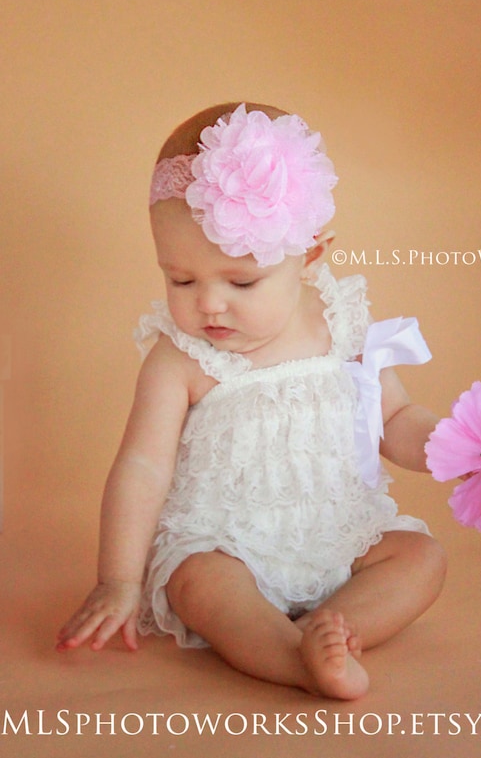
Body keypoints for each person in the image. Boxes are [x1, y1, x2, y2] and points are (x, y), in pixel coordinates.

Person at [57, 101, 446, 700]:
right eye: (181, 279)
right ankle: (294, 661)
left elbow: (393, 419)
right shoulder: (181, 358)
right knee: (201, 584)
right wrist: (118, 579)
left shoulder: (344, 324)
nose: (209, 304)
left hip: (337, 533)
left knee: (420, 557)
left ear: (310, 255)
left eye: (240, 282)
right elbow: (142, 467)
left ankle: (337, 631)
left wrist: (452, 446)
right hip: (229, 542)